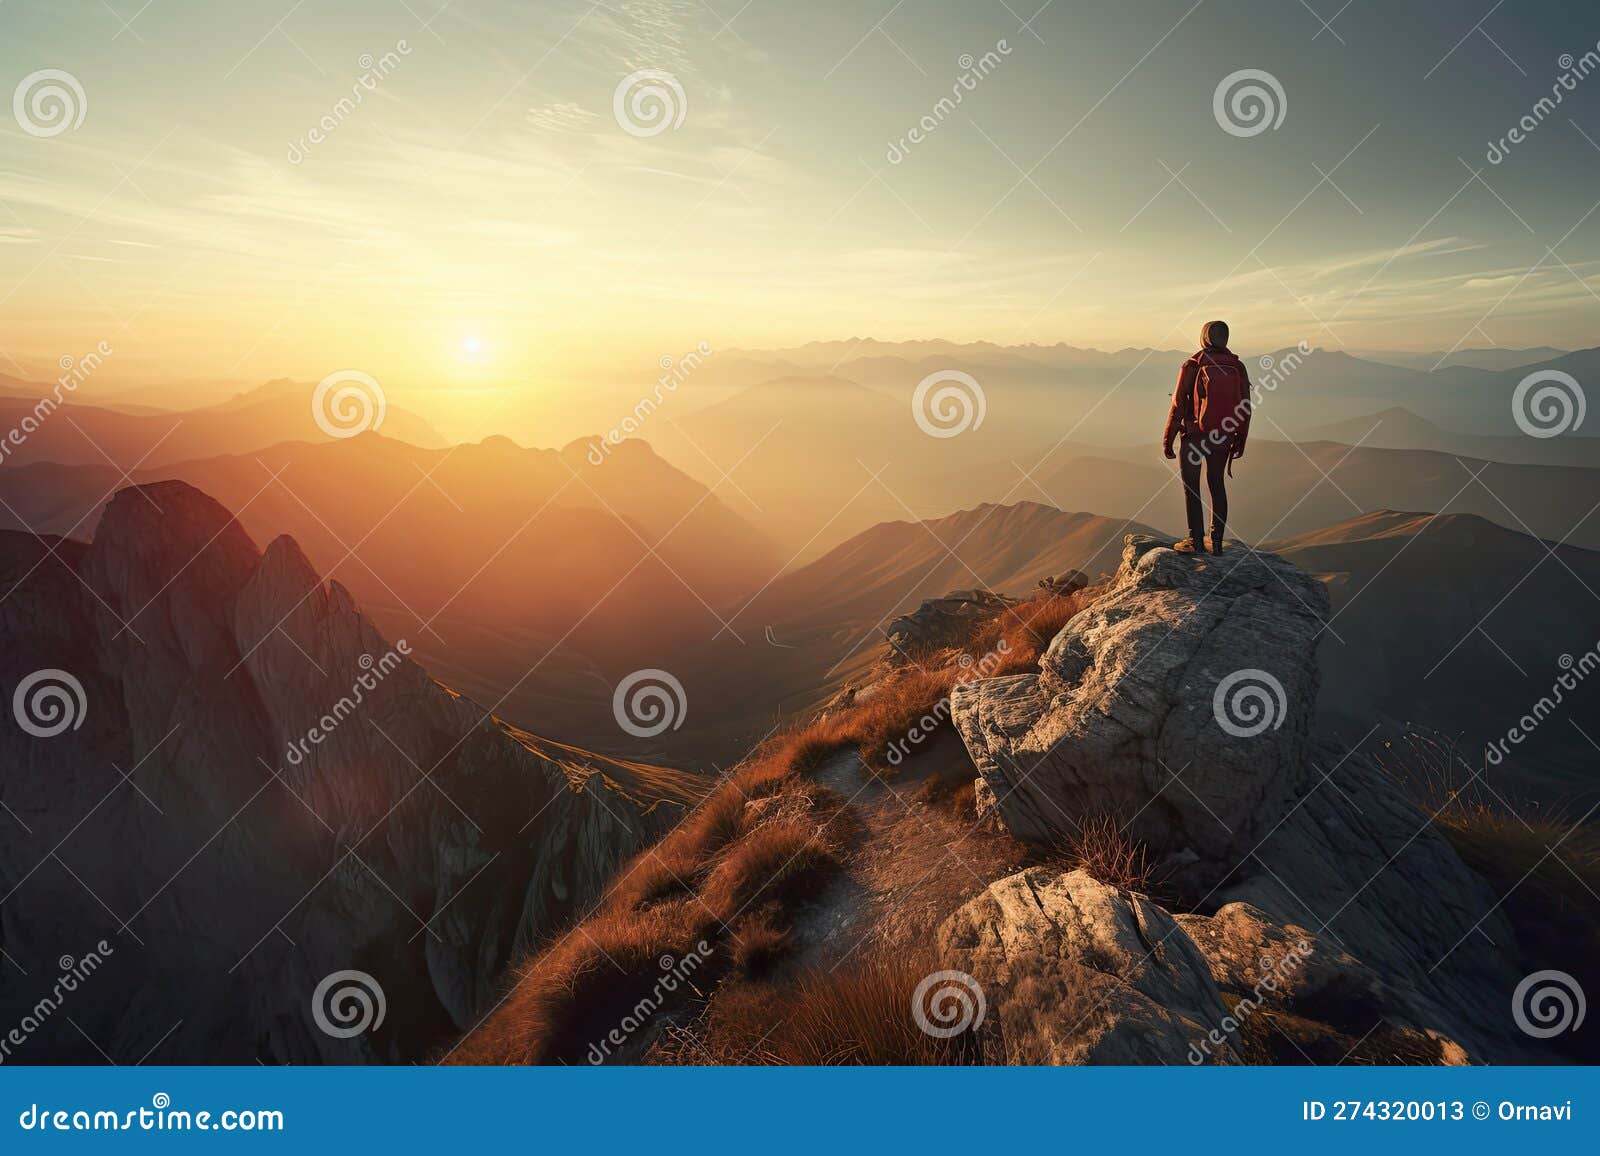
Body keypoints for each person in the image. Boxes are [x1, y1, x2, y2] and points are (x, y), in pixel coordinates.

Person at [1162, 320, 1250, 555]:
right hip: (1223, 436)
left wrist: (1168, 438)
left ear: (1204, 337)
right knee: (1217, 484)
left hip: (1194, 436)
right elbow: (1245, 406)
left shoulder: (1193, 363)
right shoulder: (1237, 366)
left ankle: (1196, 541)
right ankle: (1217, 542)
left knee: (1192, 488)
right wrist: (1240, 437)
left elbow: (1178, 404)